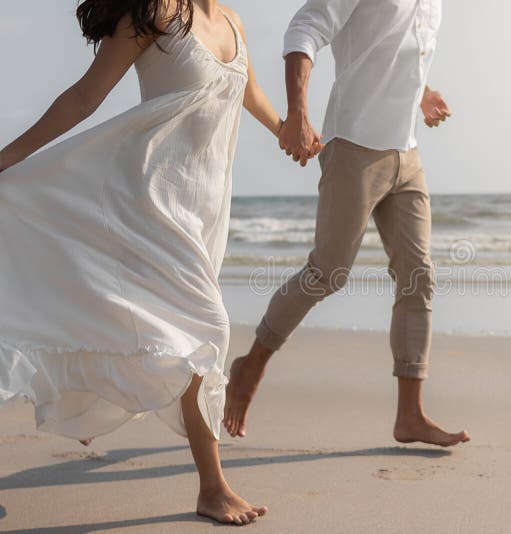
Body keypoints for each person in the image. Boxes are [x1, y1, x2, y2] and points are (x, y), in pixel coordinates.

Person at [0, 0, 300, 525]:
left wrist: (286, 129)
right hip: (146, 200)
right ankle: (213, 487)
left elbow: (248, 92)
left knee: (169, 330)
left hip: (203, 209)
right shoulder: (154, 12)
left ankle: (110, 399)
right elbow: (83, 97)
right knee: (208, 327)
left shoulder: (232, 20)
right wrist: (7, 158)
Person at [223, 0, 471, 448]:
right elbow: (303, 31)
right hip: (353, 148)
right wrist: (296, 111)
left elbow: (393, 52)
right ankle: (252, 362)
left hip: (407, 154)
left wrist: (423, 92)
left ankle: (410, 416)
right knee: (328, 272)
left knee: (418, 275)